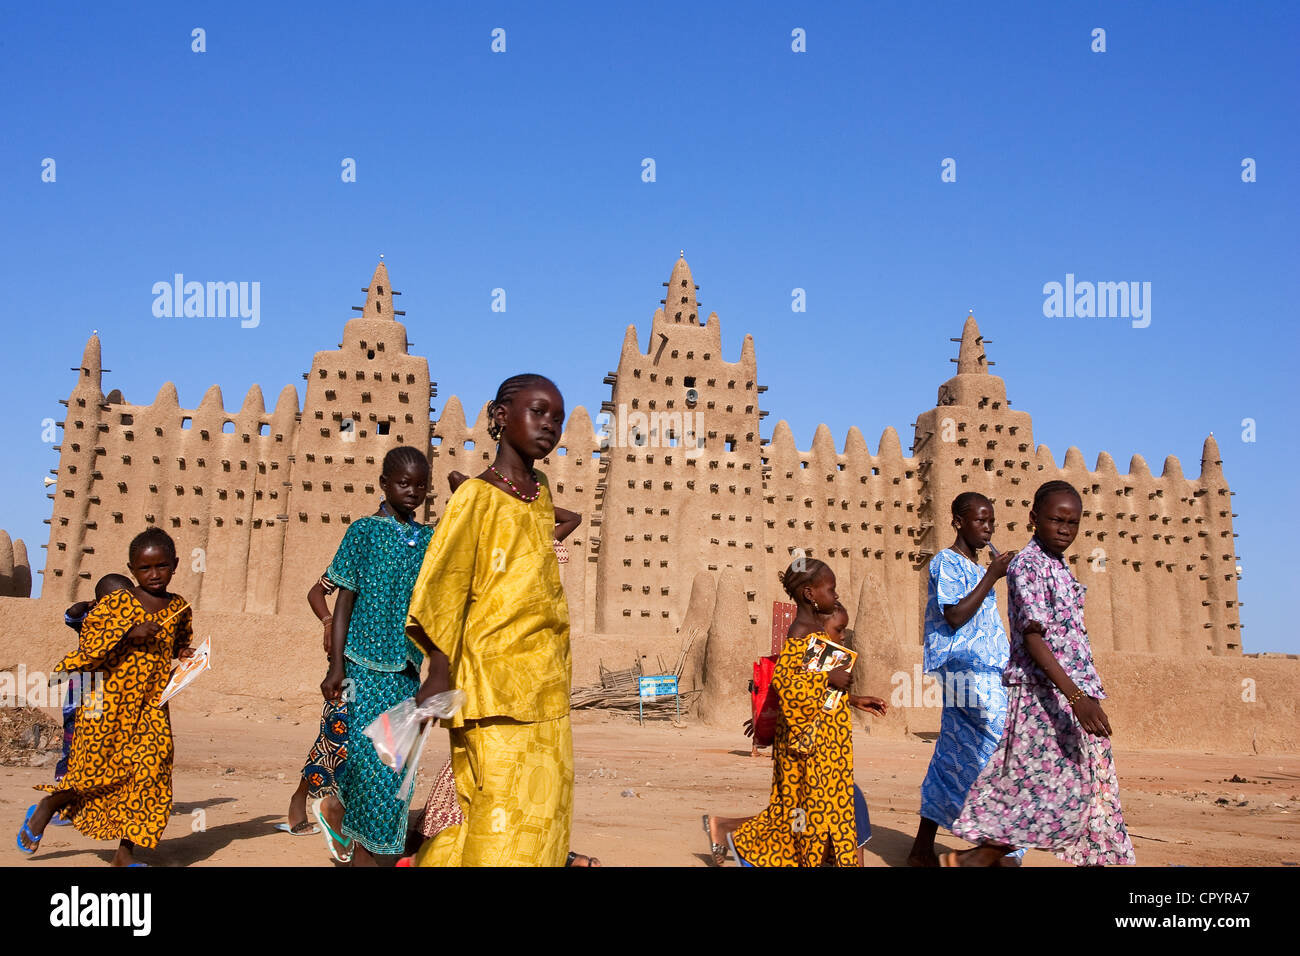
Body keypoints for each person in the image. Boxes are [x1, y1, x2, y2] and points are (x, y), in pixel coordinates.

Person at [405, 373, 574, 867]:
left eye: (558, 418)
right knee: (499, 816)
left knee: (543, 815)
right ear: (501, 416)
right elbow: (443, 585)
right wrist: (439, 669)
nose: (550, 425)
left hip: (547, 682)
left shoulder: (539, 492)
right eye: (538, 411)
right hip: (492, 684)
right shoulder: (476, 498)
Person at [947, 480, 1136, 866]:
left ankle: (979, 859)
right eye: (1055, 520)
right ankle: (979, 859)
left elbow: (1071, 641)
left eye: (1073, 522)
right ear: (1034, 519)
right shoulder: (1027, 567)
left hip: (1072, 696)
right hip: (1045, 698)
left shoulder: (1058, 567)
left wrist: (1085, 693)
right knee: (1050, 785)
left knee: (1060, 786)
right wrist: (1077, 698)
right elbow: (1033, 638)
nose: (1065, 529)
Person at [19, 528, 193, 866]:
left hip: (152, 706)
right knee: (94, 773)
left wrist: (185, 652)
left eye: (162, 566)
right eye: (145, 569)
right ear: (132, 570)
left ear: (175, 564)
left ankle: (124, 855)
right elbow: (88, 650)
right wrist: (129, 634)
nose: (154, 574)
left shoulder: (180, 607)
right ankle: (50, 805)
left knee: (151, 773)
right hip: (106, 704)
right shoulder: (115, 604)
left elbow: (177, 642)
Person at [728, 562, 887, 867]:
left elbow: (816, 692)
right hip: (808, 754)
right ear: (810, 593)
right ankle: (749, 850)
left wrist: (852, 698)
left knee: (820, 813)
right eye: (831, 588)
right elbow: (787, 685)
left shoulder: (816, 630)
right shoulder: (800, 633)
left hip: (826, 751)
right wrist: (827, 679)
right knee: (802, 815)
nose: (836, 593)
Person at [319, 446, 434, 866]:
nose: (412, 492)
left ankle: (362, 841)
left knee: (395, 769)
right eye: (403, 483)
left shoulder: (428, 539)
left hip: (406, 670)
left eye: (421, 485)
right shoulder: (362, 532)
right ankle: (360, 845)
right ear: (384, 483)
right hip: (361, 667)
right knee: (366, 765)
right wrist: (336, 666)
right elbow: (344, 600)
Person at [908, 492, 1023, 867]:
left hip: (989, 672)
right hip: (965, 672)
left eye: (991, 521)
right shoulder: (947, 562)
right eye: (980, 520)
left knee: (952, 755)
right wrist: (992, 576)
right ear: (958, 521)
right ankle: (996, 849)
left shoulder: (978, 566)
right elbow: (955, 616)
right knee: (1004, 747)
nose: (988, 528)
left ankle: (922, 848)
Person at [277, 572, 347, 850]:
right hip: (347, 654)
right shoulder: (358, 550)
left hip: (386, 658)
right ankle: (303, 797)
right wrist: (328, 623)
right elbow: (316, 591)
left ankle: (335, 807)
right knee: (336, 732)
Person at [56, 574, 135, 788]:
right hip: (83, 694)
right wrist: (87, 606)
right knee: (75, 744)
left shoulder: (131, 625)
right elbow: (71, 616)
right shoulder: (91, 620)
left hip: (112, 697)